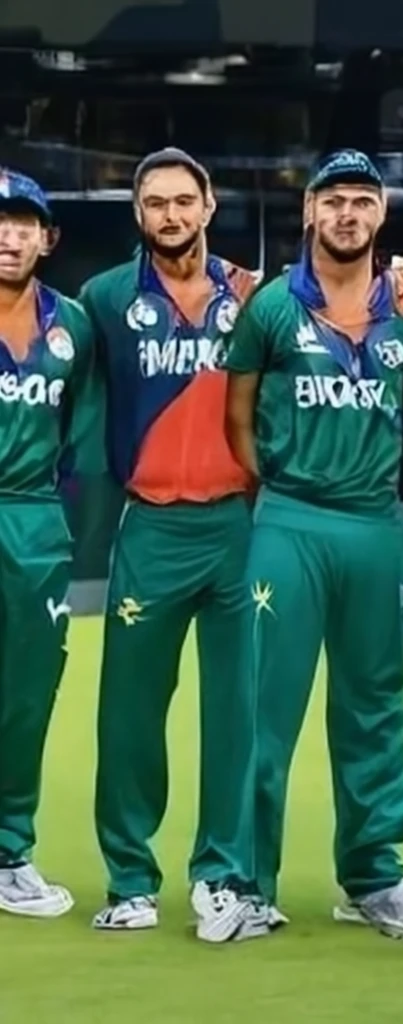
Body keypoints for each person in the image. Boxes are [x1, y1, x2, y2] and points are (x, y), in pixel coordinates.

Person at [223, 149, 403, 939]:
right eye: (334, 200)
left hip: (377, 528)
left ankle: (373, 875)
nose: (348, 214)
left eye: (362, 200)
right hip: (290, 522)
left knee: (375, 708)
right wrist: (280, 494)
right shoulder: (271, 307)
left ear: (381, 214)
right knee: (264, 706)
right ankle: (245, 880)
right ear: (310, 212)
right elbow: (238, 419)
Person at [79, 148, 265, 942]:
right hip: (150, 527)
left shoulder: (252, 295)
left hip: (236, 531)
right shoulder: (105, 298)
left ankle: (221, 877)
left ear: (209, 205)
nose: (171, 215)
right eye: (155, 203)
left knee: (235, 714)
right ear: (138, 213)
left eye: (184, 200)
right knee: (128, 716)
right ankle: (131, 881)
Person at [0, 169, 93, 919]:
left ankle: (7, 852)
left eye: (22, 224)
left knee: (25, 698)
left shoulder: (73, 327)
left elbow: (81, 438)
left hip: (34, 525)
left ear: (47, 238)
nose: (8, 236)